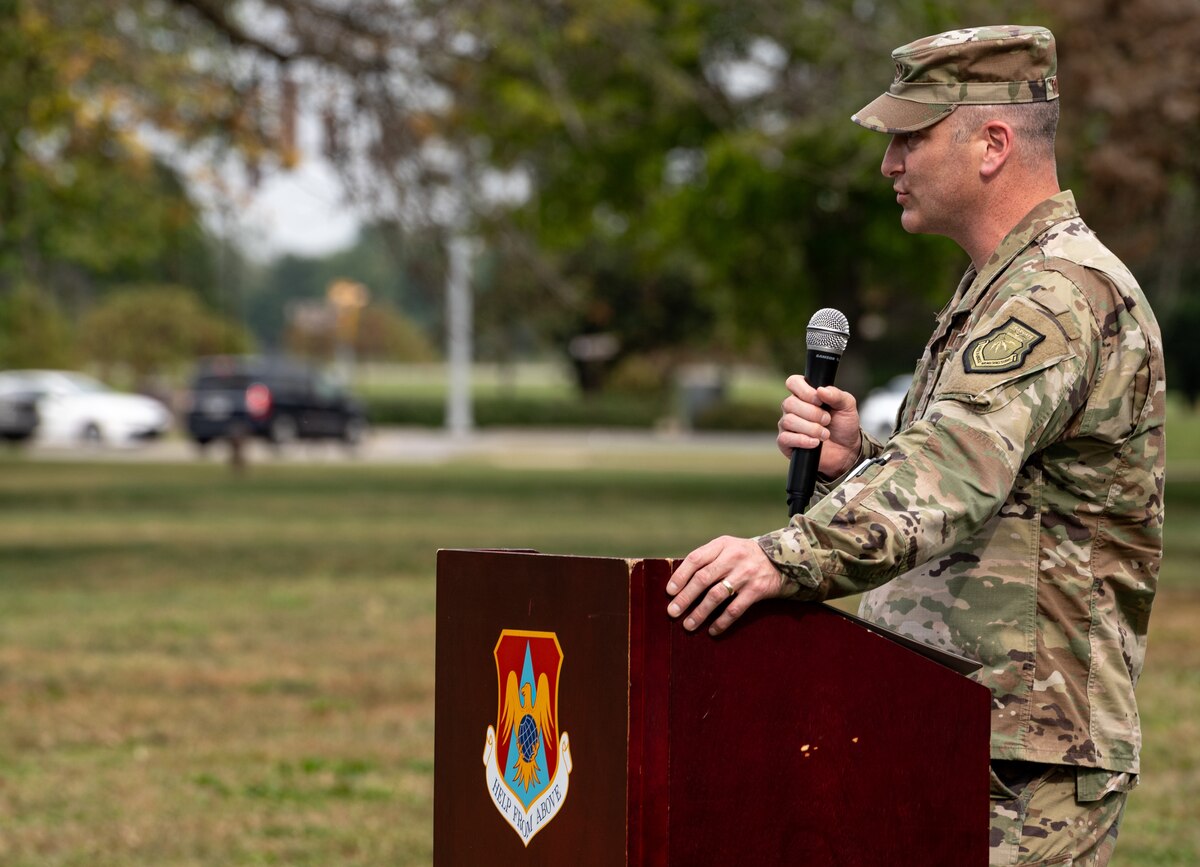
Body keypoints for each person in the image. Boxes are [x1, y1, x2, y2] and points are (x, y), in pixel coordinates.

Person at [665, 25, 1164, 867]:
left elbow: (950, 477)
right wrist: (855, 463)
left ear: (993, 143)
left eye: (911, 136)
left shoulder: (1054, 294)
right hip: (956, 724)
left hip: (1022, 759)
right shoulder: (1001, 284)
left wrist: (780, 557)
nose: (888, 163)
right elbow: (991, 493)